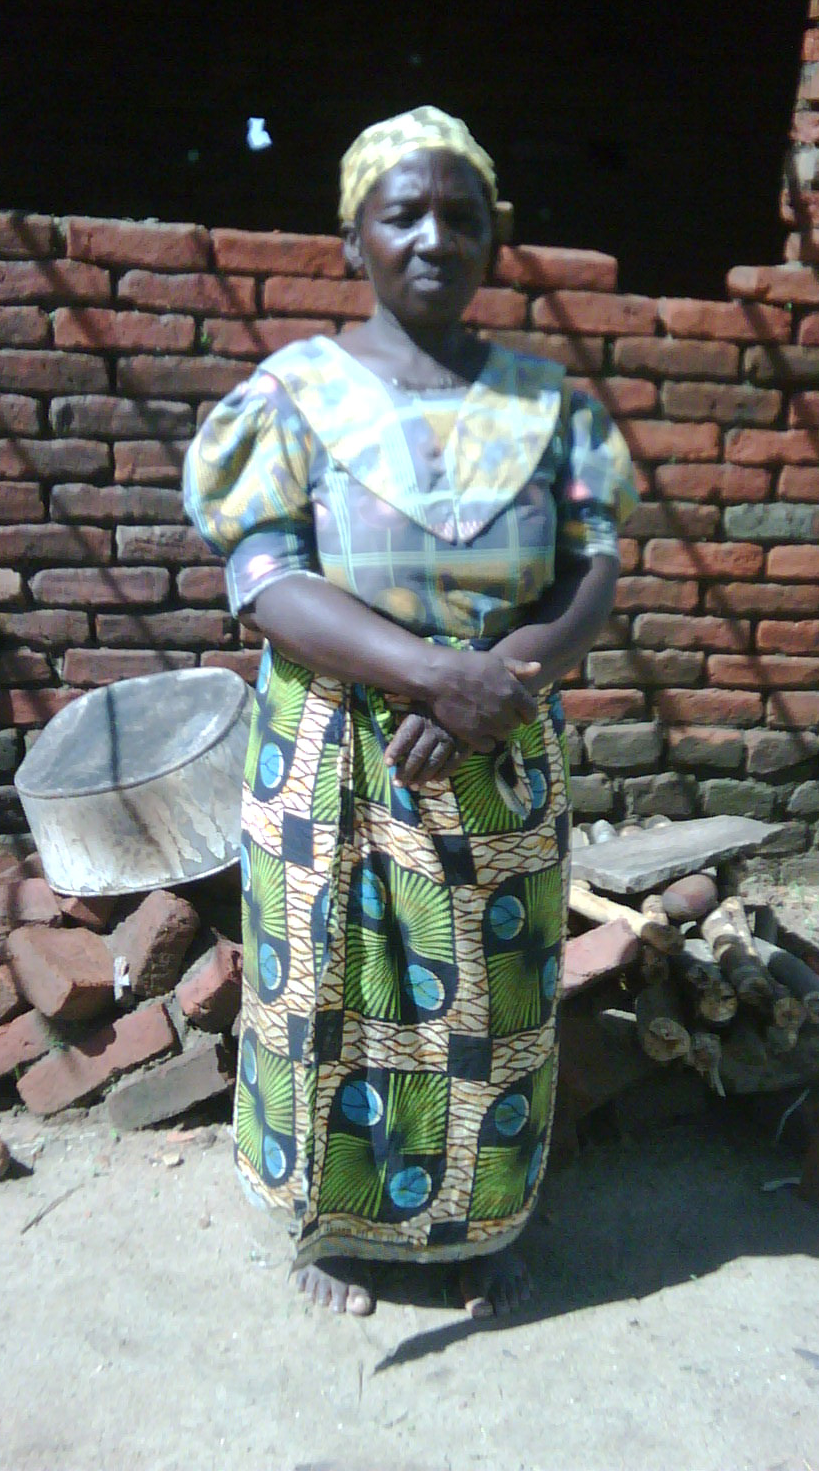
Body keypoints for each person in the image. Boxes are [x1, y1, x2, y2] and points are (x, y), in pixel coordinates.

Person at [183, 106, 637, 1318]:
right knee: (333, 986)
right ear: (354, 241)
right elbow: (265, 577)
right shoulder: (295, 395)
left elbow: (590, 569)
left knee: (493, 993)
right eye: (404, 214)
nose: (434, 237)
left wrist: (506, 680)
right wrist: (429, 675)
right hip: (334, 745)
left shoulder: (551, 405)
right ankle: (337, 1229)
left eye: (463, 216)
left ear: (494, 241)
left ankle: (472, 1228)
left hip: (496, 743)